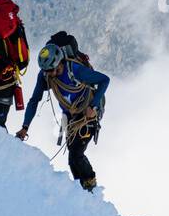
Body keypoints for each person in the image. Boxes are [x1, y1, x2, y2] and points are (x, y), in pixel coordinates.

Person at [16, 39, 109, 191]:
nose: (50, 74)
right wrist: (25, 127)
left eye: (52, 70)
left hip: (88, 115)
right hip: (71, 119)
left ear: (59, 63)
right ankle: (82, 191)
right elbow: (34, 100)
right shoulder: (45, 75)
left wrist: (92, 106)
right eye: (47, 71)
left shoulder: (76, 70)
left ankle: (90, 187)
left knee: (76, 154)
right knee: (73, 159)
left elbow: (105, 80)